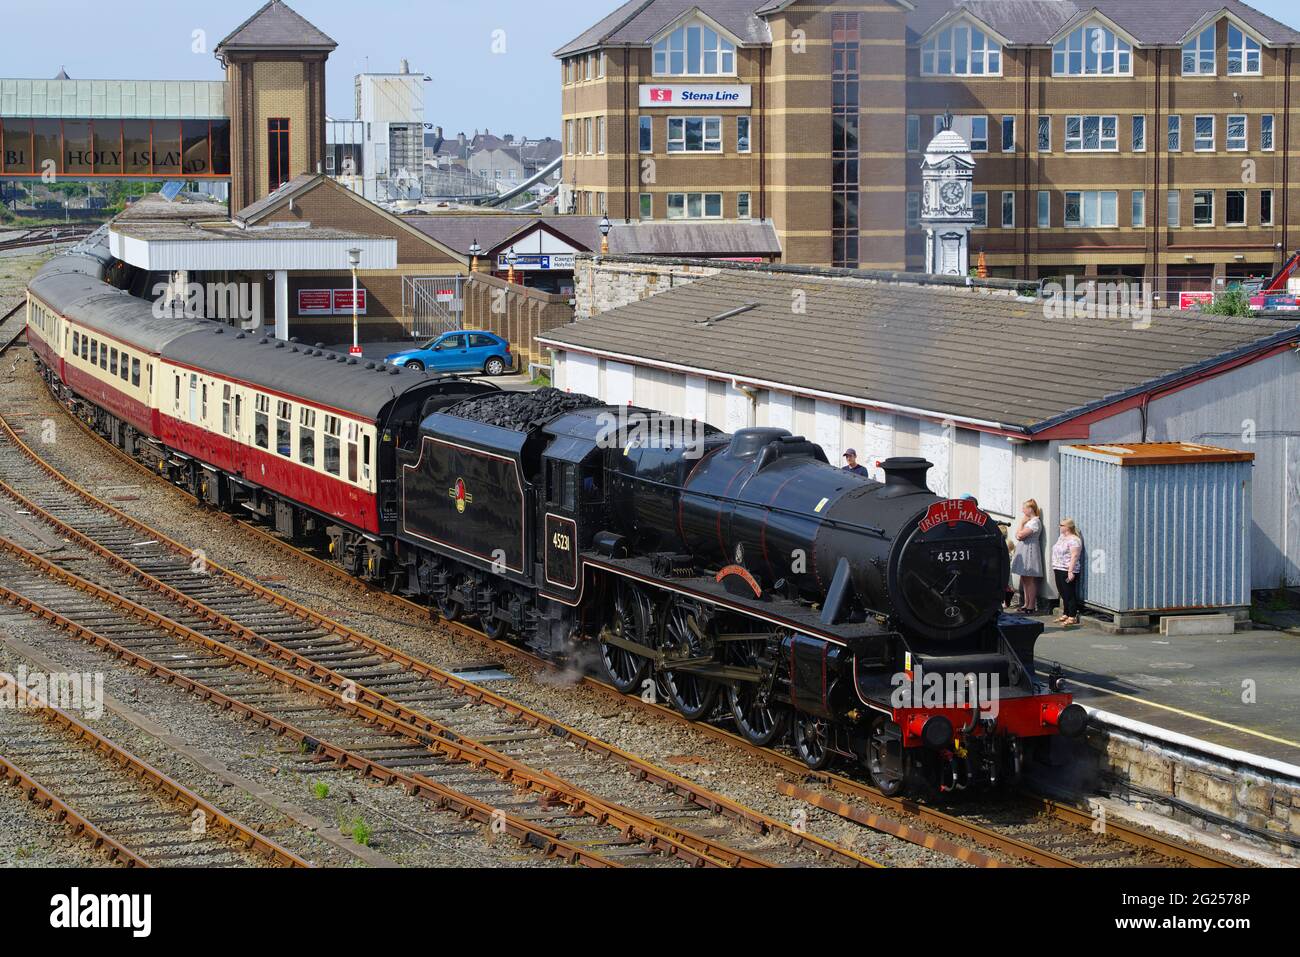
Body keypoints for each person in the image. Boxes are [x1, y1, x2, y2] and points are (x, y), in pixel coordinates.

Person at [1010, 499, 1045, 614]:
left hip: (1029, 550)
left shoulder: (1034, 522)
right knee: (1024, 579)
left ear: (1030, 509)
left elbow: (1020, 535)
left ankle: (1031, 605)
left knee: (1029, 579)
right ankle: (1026, 603)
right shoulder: (1029, 522)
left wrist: (1021, 524)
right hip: (1025, 548)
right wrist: (1022, 525)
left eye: (1024, 508)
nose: (1022, 510)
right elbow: (1017, 535)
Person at [1051, 518, 1084, 627]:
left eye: (1061, 525)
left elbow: (1075, 556)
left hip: (1067, 569)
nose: (1059, 527)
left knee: (1069, 592)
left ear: (1068, 527)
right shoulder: (1062, 537)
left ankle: (1072, 616)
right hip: (1058, 567)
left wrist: (1070, 571)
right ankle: (1066, 612)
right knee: (1062, 591)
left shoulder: (1074, 540)